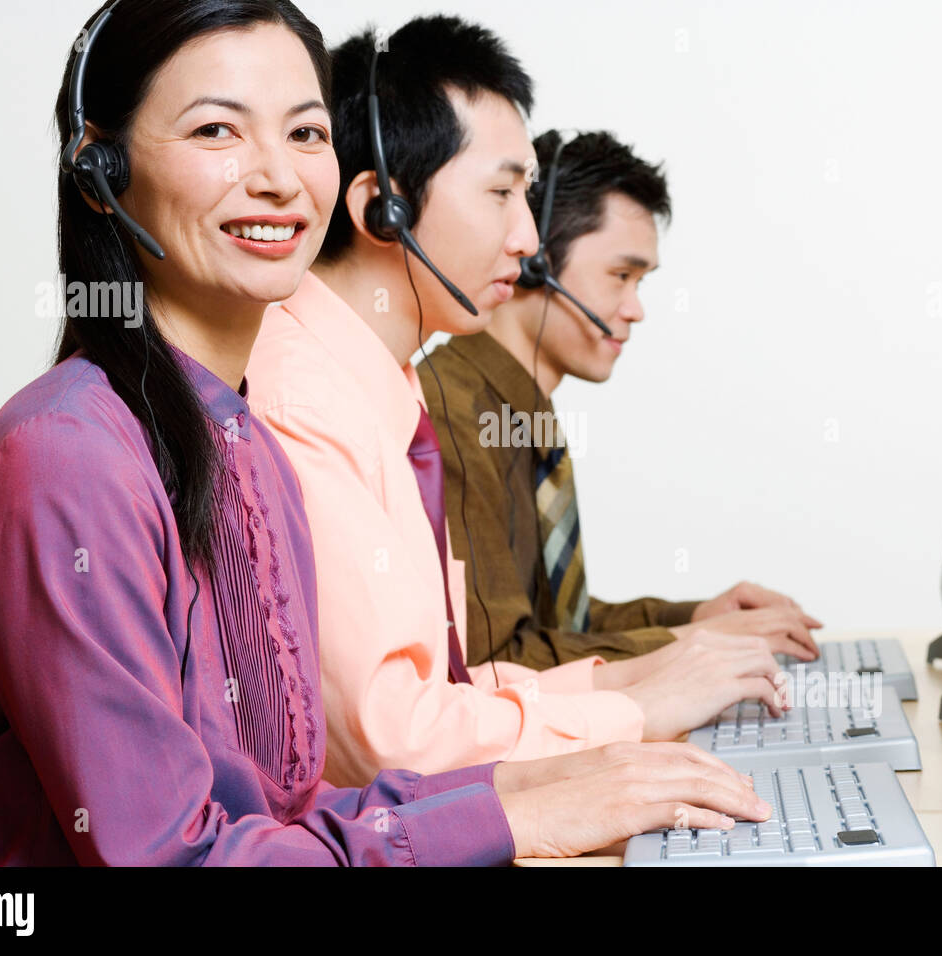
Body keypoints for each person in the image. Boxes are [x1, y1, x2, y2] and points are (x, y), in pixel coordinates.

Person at [0, 0, 767, 866]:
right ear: (102, 171)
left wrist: (542, 789)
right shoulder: (69, 458)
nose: (279, 178)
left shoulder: (241, 443)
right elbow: (174, 857)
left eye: (307, 134)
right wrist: (512, 818)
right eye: (217, 131)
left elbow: (289, 800)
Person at [246, 16, 787, 789]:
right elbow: (391, 741)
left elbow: (452, 688)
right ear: (383, 209)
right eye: (501, 193)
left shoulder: (380, 392)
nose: (529, 242)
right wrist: (638, 705)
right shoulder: (306, 402)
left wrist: (641, 681)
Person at [420, 130, 824, 673]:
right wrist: (694, 646)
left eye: (640, 282)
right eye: (620, 276)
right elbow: (496, 661)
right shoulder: (455, 417)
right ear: (535, 260)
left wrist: (698, 618)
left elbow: (558, 630)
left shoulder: (517, 414)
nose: (635, 309)